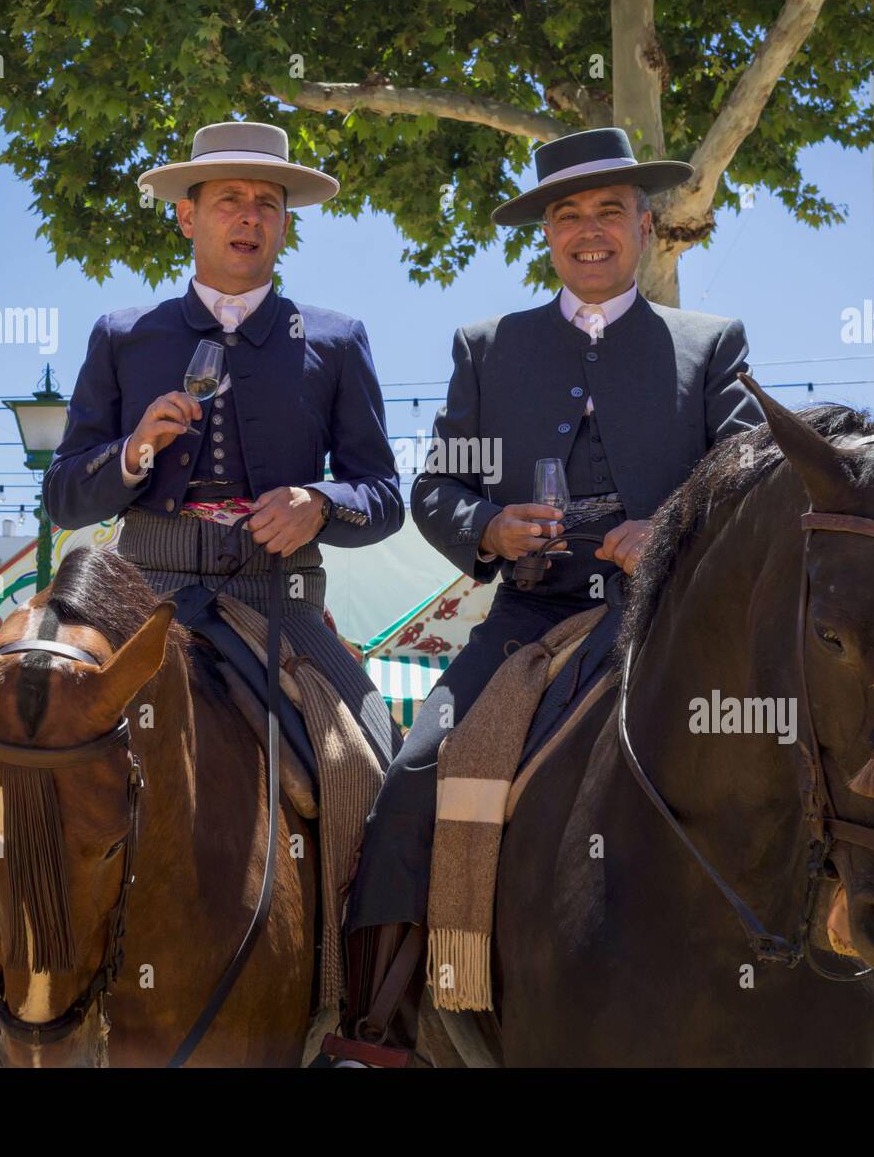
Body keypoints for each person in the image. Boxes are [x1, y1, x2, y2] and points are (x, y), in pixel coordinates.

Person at [333, 127, 764, 1061]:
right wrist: (486, 528)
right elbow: (437, 486)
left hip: (668, 625)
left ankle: (844, 978)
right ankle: (387, 1026)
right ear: (548, 236)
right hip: (527, 622)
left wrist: (671, 527)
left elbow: (749, 470)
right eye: (568, 216)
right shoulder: (489, 348)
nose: (590, 231)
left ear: (646, 226)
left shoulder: (710, 342)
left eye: (610, 210)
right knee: (409, 777)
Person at [43, 120, 404, 766]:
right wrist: (132, 452)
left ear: (285, 225)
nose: (250, 217)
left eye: (267, 203)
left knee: (375, 765)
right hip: (138, 600)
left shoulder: (338, 339)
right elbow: (65, 497)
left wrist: (318, 504)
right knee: (17, 743)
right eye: (229, 200)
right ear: (187, 216)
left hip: (283, 605)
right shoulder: (122, 335)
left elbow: (382, 494)